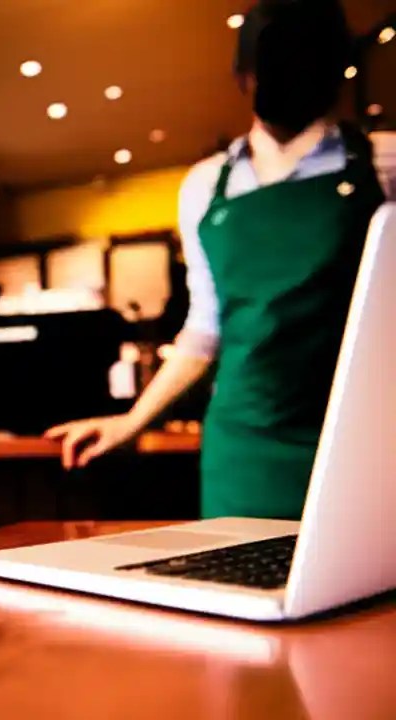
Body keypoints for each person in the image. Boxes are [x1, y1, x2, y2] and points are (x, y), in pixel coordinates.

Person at [46, 0, 394, 519]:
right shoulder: (206, 185)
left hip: (359, 443)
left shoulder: (384, 164)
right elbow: (206, 330)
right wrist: (131, 421)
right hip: (242, 449)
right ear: (244, 78)